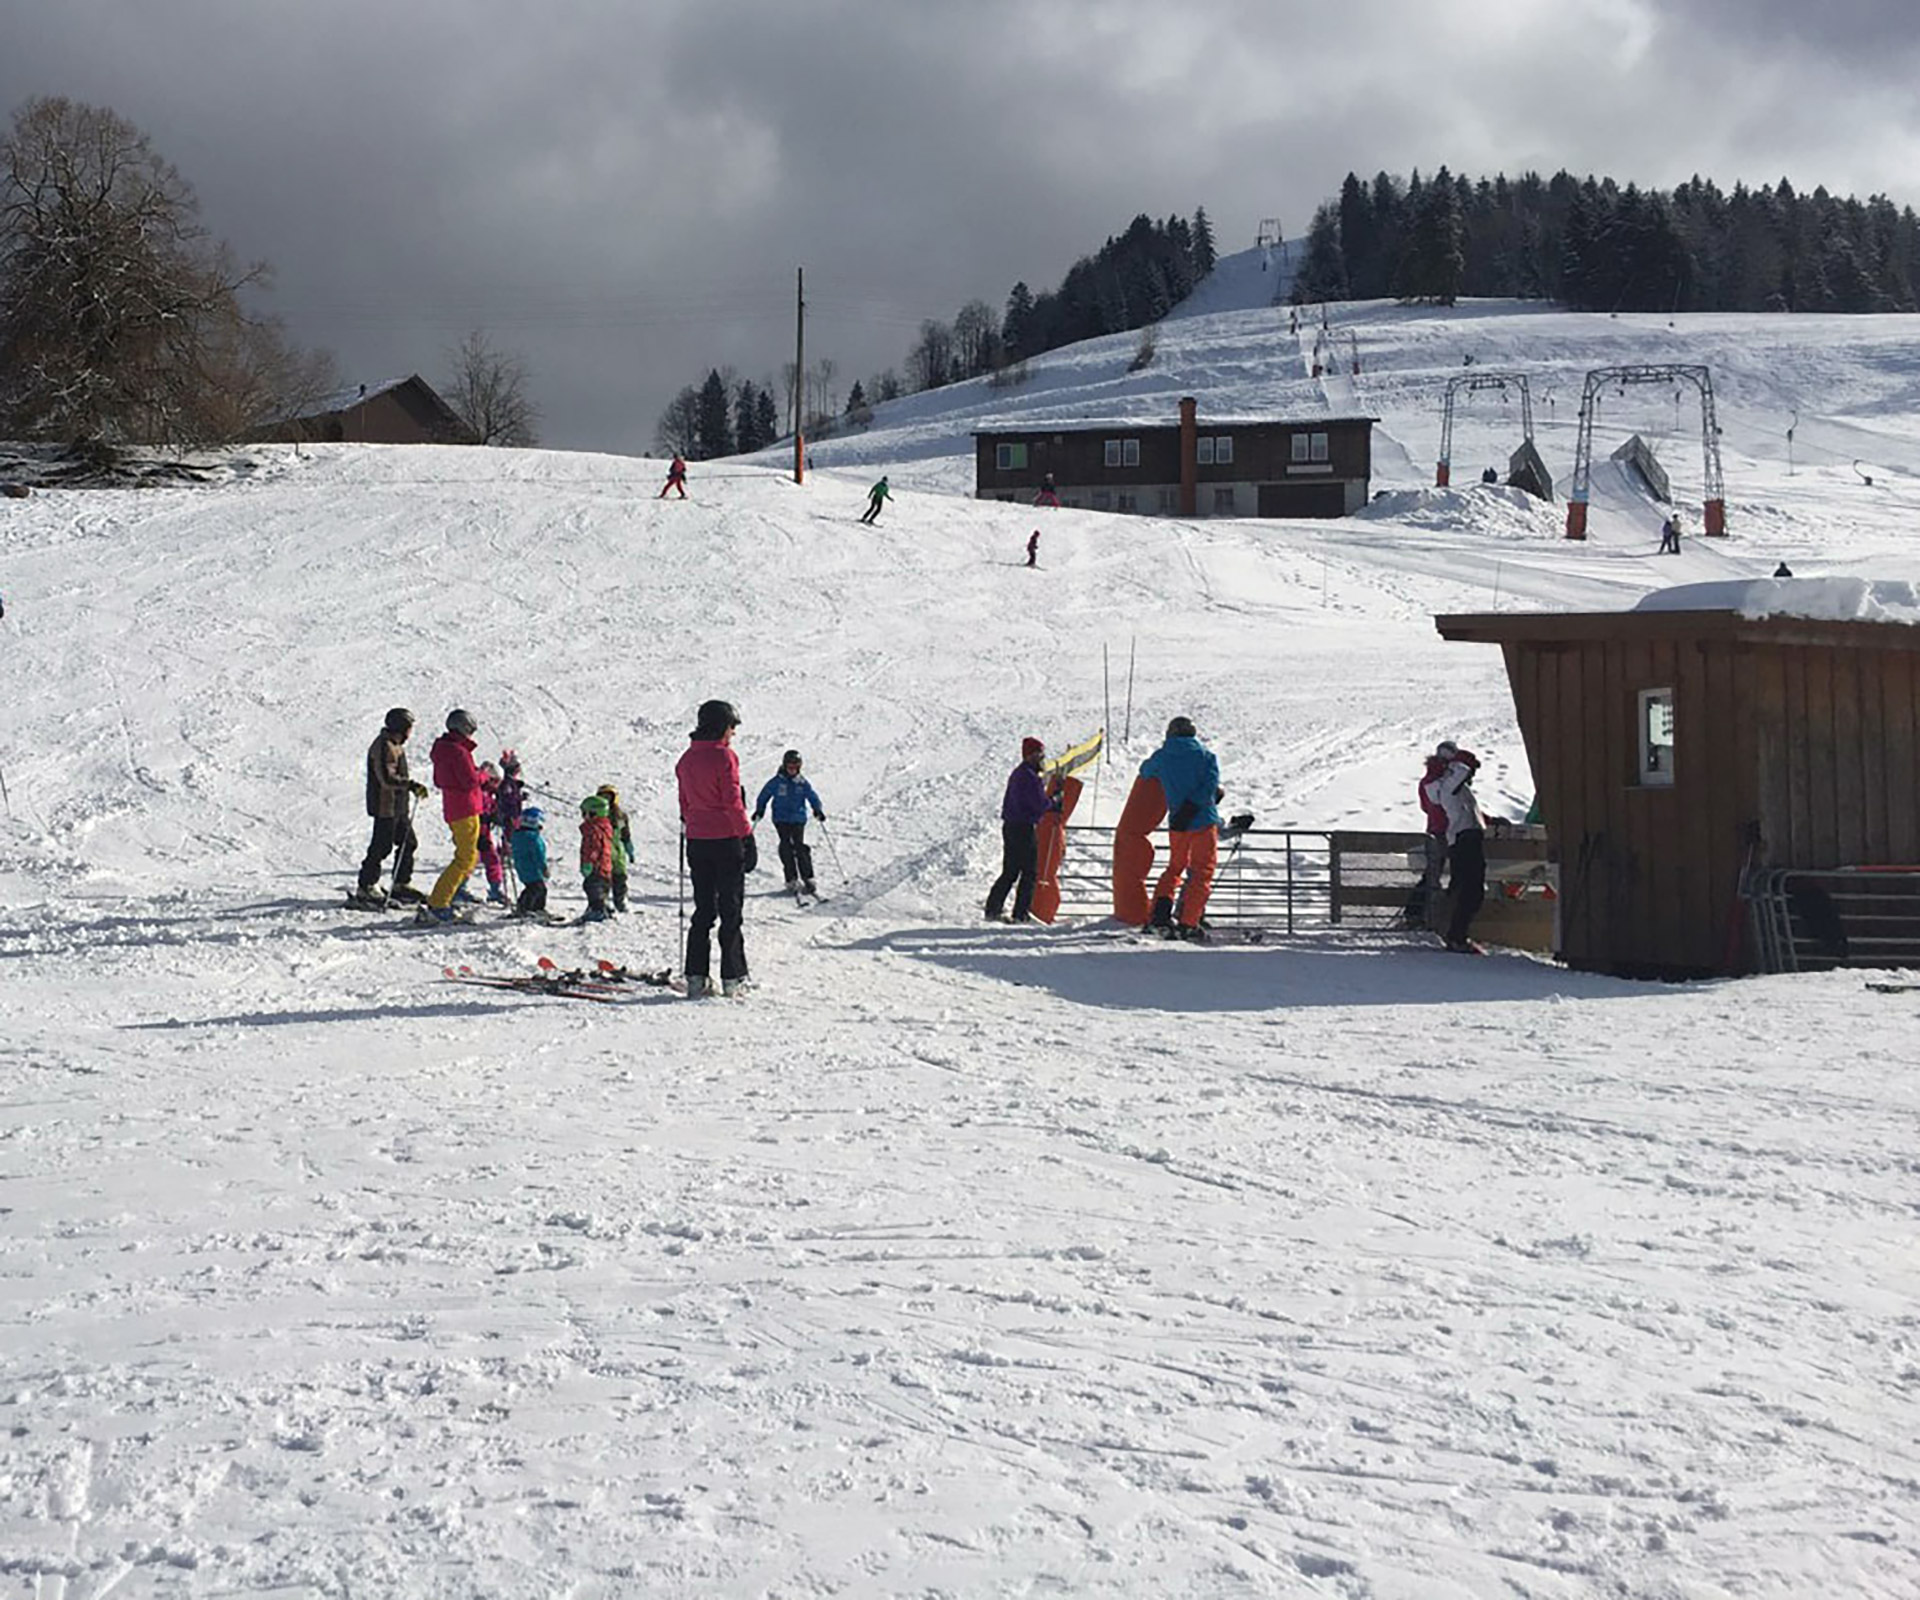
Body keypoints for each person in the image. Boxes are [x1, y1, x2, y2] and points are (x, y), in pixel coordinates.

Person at [676, 699, 755, 997]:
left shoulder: (686, 759)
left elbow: (684, 803)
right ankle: (733, 977)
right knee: (730, 910)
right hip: (726, 840)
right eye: (732, 726)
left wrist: (694, 823)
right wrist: (746, 836)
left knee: (704, 909)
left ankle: (696, 976)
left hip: (698, 841)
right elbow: (732, 802)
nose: (733, 732)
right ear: (721, 726)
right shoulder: (725, 757)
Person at [1141, 716, 1223, 940]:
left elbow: (1145, 771)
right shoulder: (1207, 757)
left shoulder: (1162, 757)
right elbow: (1209, 787)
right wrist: (1194, 805)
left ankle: (1159, 915)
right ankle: (1189, 922)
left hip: (1178, 823)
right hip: (1204, 821)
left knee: (1175, 868)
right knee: (1201, 872)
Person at [354, 707, 430, 907]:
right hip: (385, 806)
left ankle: (400, 884)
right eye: (409, 728)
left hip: (398, 806)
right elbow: (386, 778)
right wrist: (410, 785)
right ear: (401, 727)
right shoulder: (383, 746)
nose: (410, 732)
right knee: (381, 846)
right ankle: (366, 886)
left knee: (408, 842)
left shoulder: (395, 745)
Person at [984, 736, 1059, 922]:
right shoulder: (1029, 777)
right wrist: (1053, 802)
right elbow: (1038, 803)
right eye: (1039, 754)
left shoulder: (1020, 773)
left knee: (1010, 871)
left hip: (1011, 826)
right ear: (1030, 755)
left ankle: (993, 908)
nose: (1042, 758)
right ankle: (1020, 914)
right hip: (1023, 828)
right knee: (1029, 872)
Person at [1425, 739, 1489, 953]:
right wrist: (1462, 762)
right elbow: (1461, 773)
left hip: (1462, 837)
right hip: (1465, 837)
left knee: (1461, 887)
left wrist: (1487, 820)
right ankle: (1456, 936)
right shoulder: (1449, 784)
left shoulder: (1448, 787)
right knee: (1471, 890)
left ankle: (1454, 933)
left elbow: (1466, 808)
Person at [423, 709, 485, 922]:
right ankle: (438, 903)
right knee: (465, 857)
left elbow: (446, 779)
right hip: (465, 808)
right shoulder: (458, 751)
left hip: (456, 808)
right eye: (470, 730)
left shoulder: (445, 749)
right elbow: (469, 782)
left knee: (470, 855)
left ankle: (453, 892)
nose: (471, 735)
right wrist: (483, 775)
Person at [753, 749, 827, 895]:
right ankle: (791, 878)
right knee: (786, 845)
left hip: (798, 818)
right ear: (785, 766)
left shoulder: (802, 783)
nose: (792, 770)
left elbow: (812, 796)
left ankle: (808, 877)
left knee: (799, 846)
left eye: (795, 767)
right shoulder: (777, 781)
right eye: (790, 767)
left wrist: (817, 809)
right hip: (781, 819)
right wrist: (760, 810)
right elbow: (764, 795)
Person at [1402, 751, 1451, 927]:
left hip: (1435, 829)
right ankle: (1417, 913)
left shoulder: (1428, 781)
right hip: (1444, 831)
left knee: (1433, 873)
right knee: (1434, 874)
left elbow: (1425, 807)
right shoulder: (1443, 782)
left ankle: (1417, 913)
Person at [475, 761, 509, 905]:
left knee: (492, 858)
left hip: (485, 830)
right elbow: (476, 810)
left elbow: (491, 807)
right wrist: (488, 817)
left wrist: (496, 814)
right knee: (469, 859)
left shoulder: (489, 793)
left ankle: (495, 889)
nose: (497, 785)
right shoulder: (478, 792)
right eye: (496, 781)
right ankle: (459, 888)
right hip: (475, 830)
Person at [598, 783, 634, 914]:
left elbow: (625, 833)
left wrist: (629, 848)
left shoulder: (620, 816)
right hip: (602, 850)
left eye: (608, 797)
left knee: (620, 877)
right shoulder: (597, 814)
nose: (606, 800)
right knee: (603, 878)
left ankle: (621, 900)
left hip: (618, 851)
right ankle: (603, 901)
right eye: (603, 797)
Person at [580, 794, 615, 920]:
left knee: (592, 886)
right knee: (600, 886)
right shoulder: (604, 826)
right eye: (583, 814)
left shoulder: (594, 829)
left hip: (597, 865)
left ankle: (598, 910)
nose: (585, 817)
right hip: (604, 865)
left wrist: (588, 862)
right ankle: (600, 907)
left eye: (588, 814)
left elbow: (593, 847)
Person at [510, 806, 550, 917]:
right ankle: (529, 908)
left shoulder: (518, 836)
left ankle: (526, 907)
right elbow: (538, 854)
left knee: (533, 888)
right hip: (533, 869)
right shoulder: (533, 838)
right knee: (537, 889)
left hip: (522, 867)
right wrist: (543, 868)